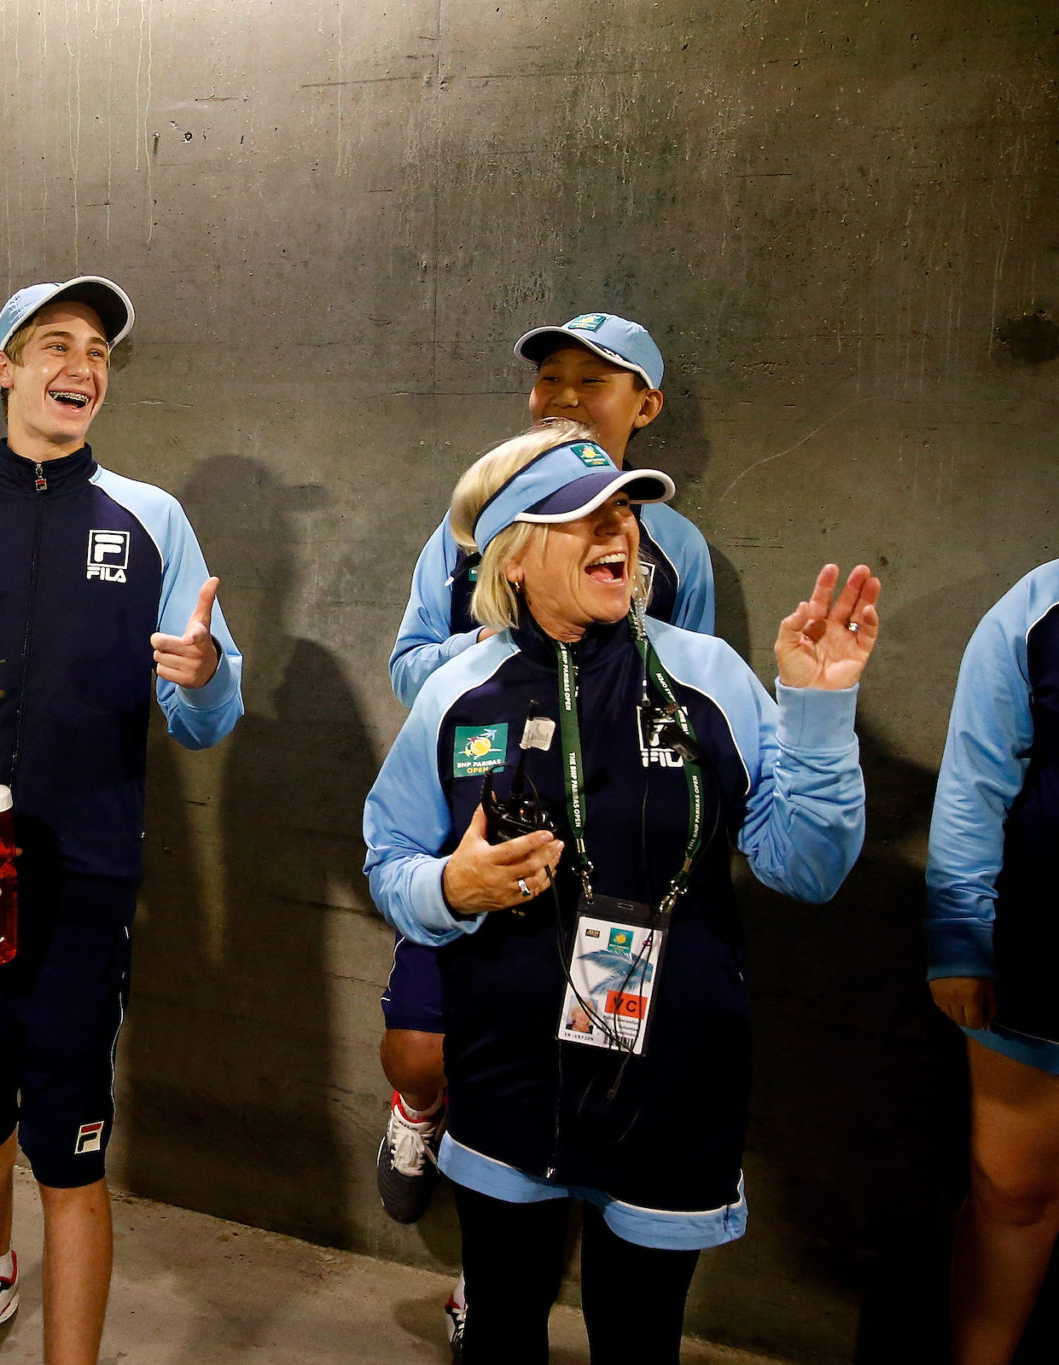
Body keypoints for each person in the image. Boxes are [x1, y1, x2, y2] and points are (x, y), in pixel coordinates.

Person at [362, 421, 874, 1362]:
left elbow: (808, 865)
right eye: (584, 514)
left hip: (671, 1089)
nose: (620, 530)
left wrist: (820, 711)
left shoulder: (710, 676)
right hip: (509, 1082)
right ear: (515, 553)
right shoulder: (455, 693)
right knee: (501, 1329)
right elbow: (388, 855)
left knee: (638, 1340)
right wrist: (450, 885)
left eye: (627, 510)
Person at [0, 277, 243, 1365]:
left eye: (97, 352)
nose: (79, 367)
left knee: (69, 1152)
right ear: (3, 368)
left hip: (84, 893)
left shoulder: (149, 519)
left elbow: (202, 720)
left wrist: (205, 673)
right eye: (53, 345)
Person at [373, 315, 716, 1349]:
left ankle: (499, 1275)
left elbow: (695, 702)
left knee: (585, 1078)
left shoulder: (676, 547)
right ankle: (436, 1135)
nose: (563, 395)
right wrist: (499, 656)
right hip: (476, 842)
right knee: (421, 1053)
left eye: (591, 383)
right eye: (548, 379)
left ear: (642, 407)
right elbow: (405, 667)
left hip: (613, 890)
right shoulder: (471, 516)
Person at [926, 562, 1059, 1364]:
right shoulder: (1037, 609)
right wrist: (957, 940)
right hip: (1039, 959)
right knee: (1009, 1194)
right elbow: (976, 781)